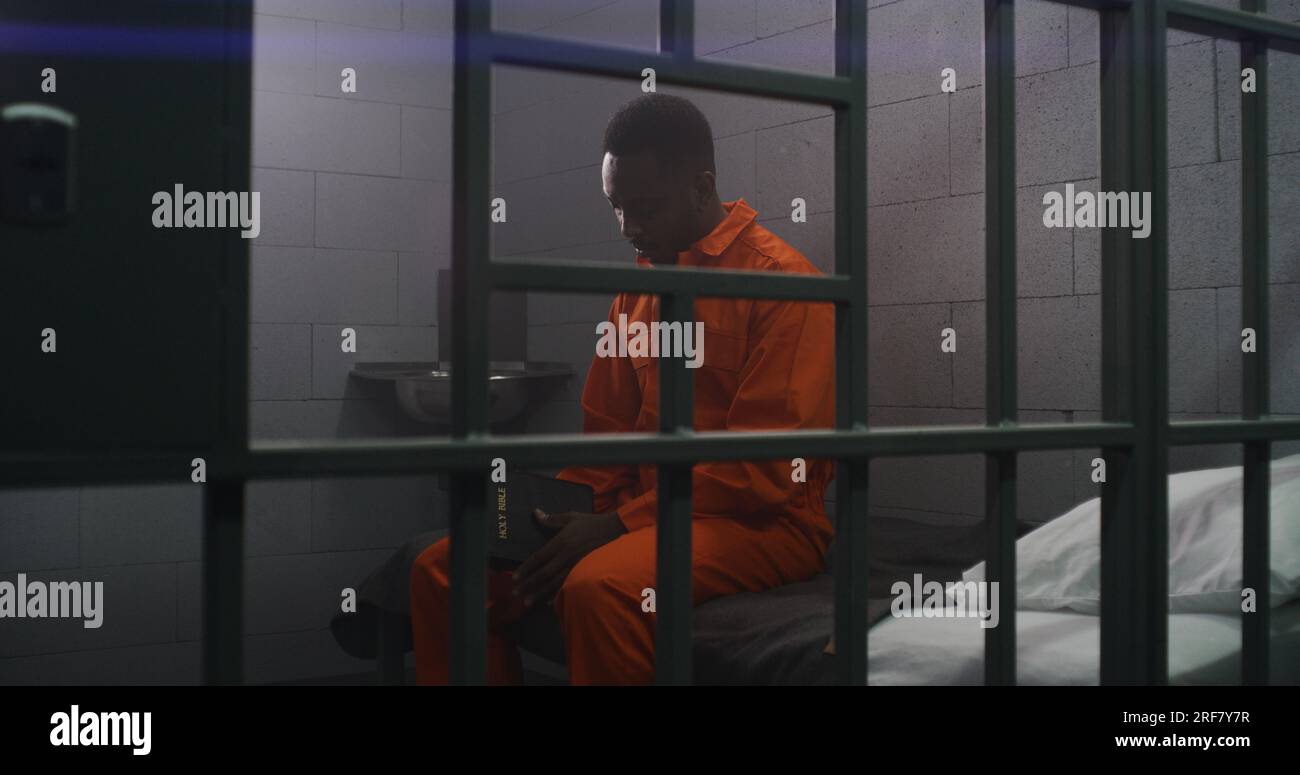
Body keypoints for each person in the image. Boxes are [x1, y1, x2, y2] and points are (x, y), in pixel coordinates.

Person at [410, 93, 836, 685]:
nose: (629, 229)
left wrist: (618, 526)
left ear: (702, 185)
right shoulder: (634, 295)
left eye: (645, 208)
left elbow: (764, 470)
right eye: (616, 208)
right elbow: (604, 438)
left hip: (763, 522)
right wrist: (553, 516)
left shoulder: (784, 285)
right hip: (644, 511)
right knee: (446, 566)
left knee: (597, 588)